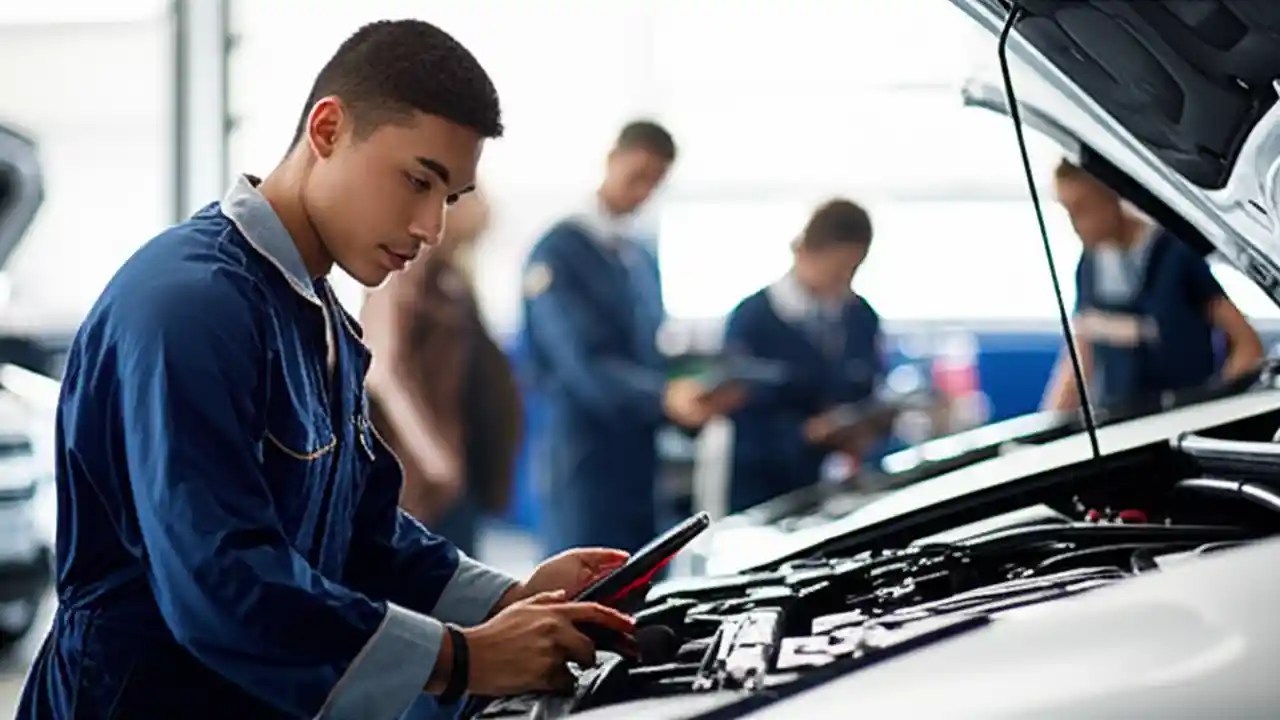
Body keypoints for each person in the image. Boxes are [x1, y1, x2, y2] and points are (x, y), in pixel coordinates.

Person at [19, 20, 637, 720]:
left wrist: (508, 602)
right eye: (417, 180)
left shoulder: (316, 312)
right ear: (328, 129)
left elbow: (366, 532)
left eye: (451, 199)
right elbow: (219, 578)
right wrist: (463, 656)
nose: (432, 227)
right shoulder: (188, 305)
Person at [521, 121, 731, 557]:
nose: (643, 193)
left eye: (655, 183)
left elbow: (650, 349)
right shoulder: (559, 251)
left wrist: (691, 391)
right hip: (585, 455)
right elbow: (581, 364)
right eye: (637, 176)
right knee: (583, 587)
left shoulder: (638, 255)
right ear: (612, 160)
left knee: (640, 586)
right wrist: (663, 397)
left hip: (639, 452)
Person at [360, 187, 519, 559]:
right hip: (423, 481)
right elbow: (383, 369)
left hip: (463, 467)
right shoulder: (404, 272)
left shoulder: (453, 276)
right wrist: (433, 455)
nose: (486, 208)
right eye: (471, 196)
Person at [1042, 158, 1263, 412]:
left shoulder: (1176, 255)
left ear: (1111, 194)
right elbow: (1081, 356)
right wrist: (1045, 427)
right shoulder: (1088, 266)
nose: (1075, 226)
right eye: (1068, 211)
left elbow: (1247, 342)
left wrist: (1214, 407)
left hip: (1178, 425)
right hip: (1121, 427)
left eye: (1082, 209)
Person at [721, 199, 886, 513]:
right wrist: (803, 434)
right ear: (807, 252)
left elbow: (869, 388)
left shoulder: (860, 317)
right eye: (837, 268)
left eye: (853, 269)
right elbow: (739, 406)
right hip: (763, 486)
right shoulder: (752, 319)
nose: (844, 280)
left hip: (838, 487)